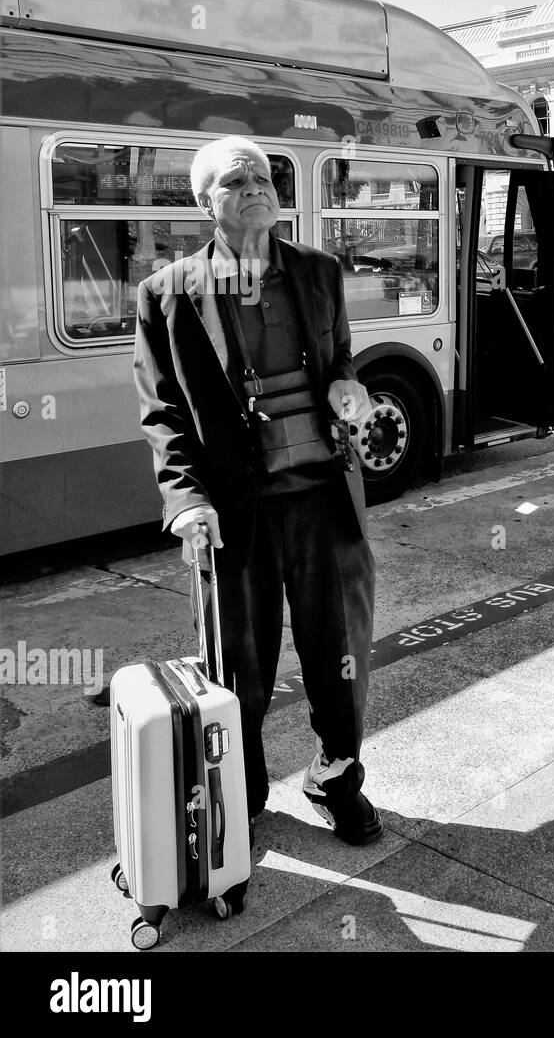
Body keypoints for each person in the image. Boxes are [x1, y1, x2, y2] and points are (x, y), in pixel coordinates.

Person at [133, 135, 382, 845]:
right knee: (240, 665)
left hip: (320, 499)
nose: (256, 189)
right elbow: (162, 413)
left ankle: (336, 776)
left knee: (336, 655)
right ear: (203, 200)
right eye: (236, 181)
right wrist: (185, 500)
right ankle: (238, 789)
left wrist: (347, 387)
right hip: (232, 513)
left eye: (266, 178)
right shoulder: (167, 294)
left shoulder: (317, 271)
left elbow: (340, 361)